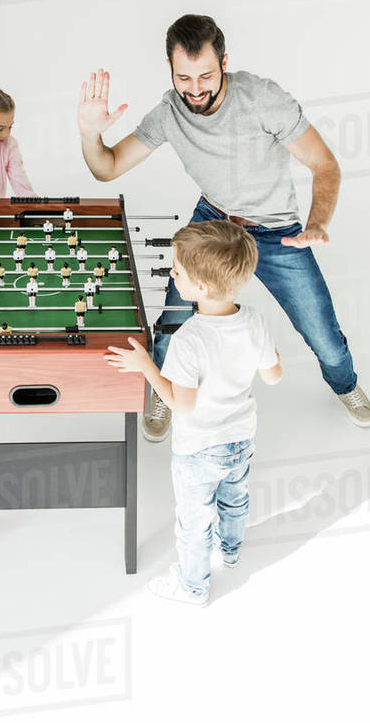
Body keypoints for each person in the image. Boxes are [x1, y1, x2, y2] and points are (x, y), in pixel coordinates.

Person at [79, 13, 370, 441]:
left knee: (323, 333)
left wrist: (317, 222)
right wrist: (89, 134)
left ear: (224, 62)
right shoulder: (169, 113)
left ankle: (345, 386)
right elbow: (106, 168)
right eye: (184, 77)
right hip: (214, 221)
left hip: (276, 230)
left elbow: (324, 164)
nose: (195, 89)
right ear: (170, 68)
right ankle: (163, 389)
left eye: (206, 76)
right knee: (174, 318)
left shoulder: (264, 99)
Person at [106, 220, 281, 605]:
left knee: (194, 522)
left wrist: (146, 366)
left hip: (198, 449)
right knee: (234, 499)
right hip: (241, 439)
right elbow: (273, 375)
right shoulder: (255, 319)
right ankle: (231, 552)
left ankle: (193, 587)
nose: (172, 275)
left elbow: (180, 404)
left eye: (177, 272)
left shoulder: (188, 339)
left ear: (200, 287)